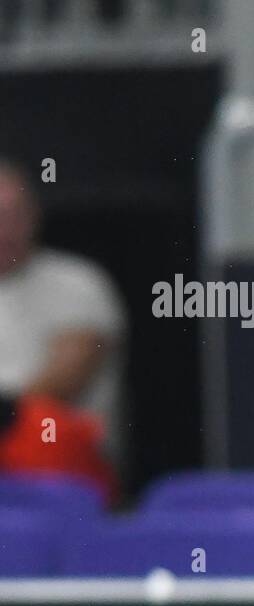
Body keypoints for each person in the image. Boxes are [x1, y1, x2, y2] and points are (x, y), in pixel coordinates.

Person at [0, 159, 125, 491]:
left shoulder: (78, 284)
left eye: (13, 215)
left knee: (40, 424)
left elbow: (63, 384)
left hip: (52, 456)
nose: (4, 228)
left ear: (34, 215)